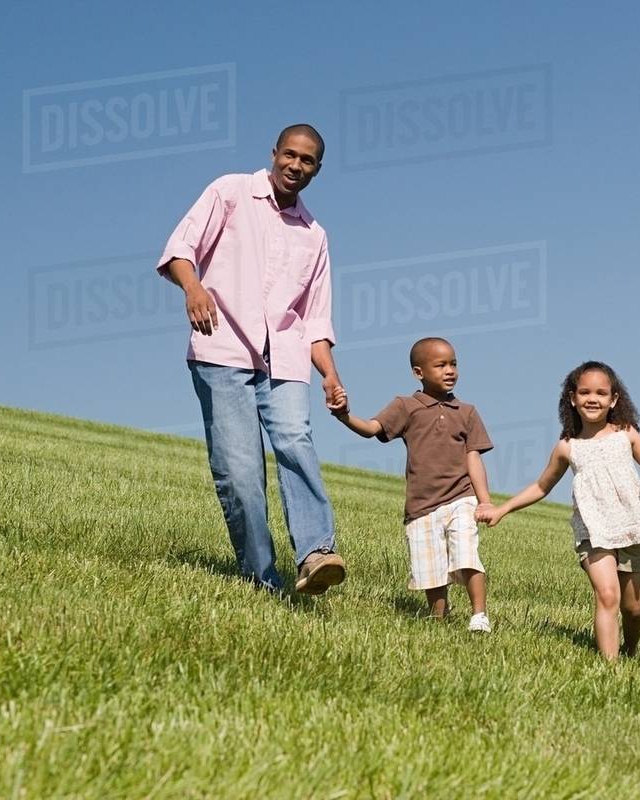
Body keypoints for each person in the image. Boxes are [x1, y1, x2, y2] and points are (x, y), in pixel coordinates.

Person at [155, 124, 348, 595]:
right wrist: (194, 287)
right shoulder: (231, 191)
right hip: (221, 348)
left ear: (317, 170)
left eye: (307, 161)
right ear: (274, 153)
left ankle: (316, 553)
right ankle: (263, 579)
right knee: (240, 471)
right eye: (290, 155)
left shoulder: (315, 235)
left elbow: (314, 317)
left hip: (284, 358)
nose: (295, 166)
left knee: (295, 442)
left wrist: (329, 374)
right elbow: (180, 250)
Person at [477, 361, 640, 659]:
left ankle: (630, 649)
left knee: (634, 609)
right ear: (572, 398)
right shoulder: (567, 447)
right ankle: (610, 669)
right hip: (593, 531)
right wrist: (503, 509)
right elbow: (541, 487)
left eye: (602, 393)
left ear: (614, 399)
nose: (593, 399)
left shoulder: (627, 434)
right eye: (585, 392)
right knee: (607, 595)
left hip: (632, 528)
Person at [331, 337, 496, 632]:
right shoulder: (406, 406)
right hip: (421, 506)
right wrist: (344, 417)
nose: (450, 370)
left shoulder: (467, 412)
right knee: (429, 569)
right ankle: (438, 618)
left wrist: (484, 501)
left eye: (454, 364)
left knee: (467, 552)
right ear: (418, 372)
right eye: (441, 365)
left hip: (461, 498)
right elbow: (372, 429)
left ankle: (479, 615)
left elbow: (473, 459)